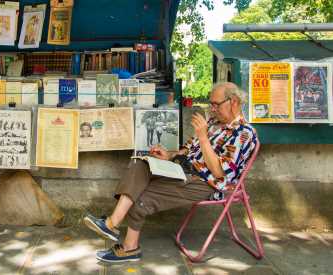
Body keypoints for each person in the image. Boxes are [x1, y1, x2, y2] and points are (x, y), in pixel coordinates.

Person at [84, 82, 258, 263]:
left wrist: (204, 137)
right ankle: (111, 224)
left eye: (216, 104)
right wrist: (169, 155)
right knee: (140, 163)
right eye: (211, 104)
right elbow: (188, 150)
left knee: (142, 196)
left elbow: (219, 172)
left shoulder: (244, 133)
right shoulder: (214, 123)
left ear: (234, 101)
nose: (212, 109)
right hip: (183, 170)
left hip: (205, 182)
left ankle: (129, 248)